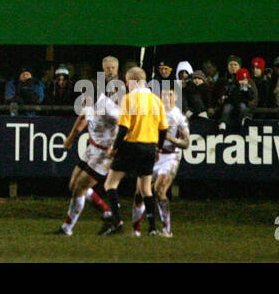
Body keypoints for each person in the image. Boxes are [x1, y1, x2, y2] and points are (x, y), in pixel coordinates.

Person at [99, 67, 167, 236]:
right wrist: (158, 148)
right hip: (150, 146)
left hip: (132, 145)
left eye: (128, 82)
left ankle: (117, 221)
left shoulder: (129, 99)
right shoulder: (157, 100)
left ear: (133, 81)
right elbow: (164, 129)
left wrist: (114, 148)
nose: (127, 86)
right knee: (146, 188)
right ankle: (152, 228)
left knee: (110, 184)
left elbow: (123, 127)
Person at [56, 82, 119, 235]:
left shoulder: (110, 109)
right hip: (92, 148)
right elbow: (82, 118)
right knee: (73, 185)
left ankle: (67, 228)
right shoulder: (89, 103)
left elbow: (126, 126)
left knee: (80, 188)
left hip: (103, 155)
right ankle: (108, 214)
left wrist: (116, 147)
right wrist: (71, 137)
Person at [130, 88, 189, 237]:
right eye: (163, 95)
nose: (166, 97)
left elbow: (186, 143)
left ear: (175, 97)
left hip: (170, 156)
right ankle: (136, 229)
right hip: (153, 154)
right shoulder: (153, 113)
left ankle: (166, 230)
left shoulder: (179, 117)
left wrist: (170, 138)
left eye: (169, 95)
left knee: (159, 190)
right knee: (139, 193)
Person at [218, 67, 257, 132]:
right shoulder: (232, 85)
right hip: (231, 102)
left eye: (245, 80)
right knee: (227, 109)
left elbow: (251, 97)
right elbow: (227, 92)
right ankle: (223, 122)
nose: (243, 82)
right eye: (241, 80)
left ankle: (244, 119)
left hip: (241, 103)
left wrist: (246, 91)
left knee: (243, 107)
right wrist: (224, 96)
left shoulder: (248, 87)